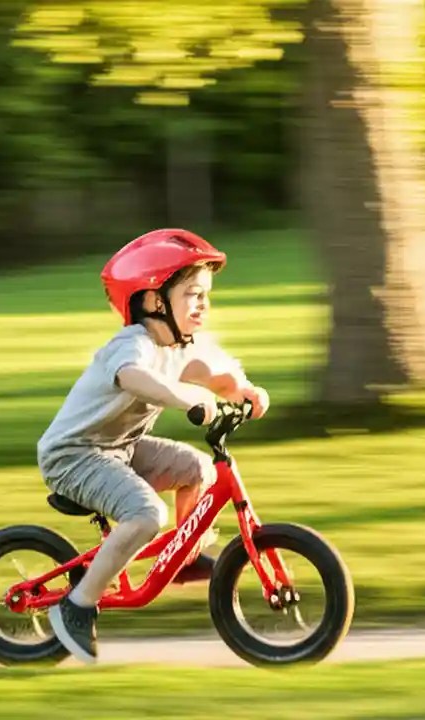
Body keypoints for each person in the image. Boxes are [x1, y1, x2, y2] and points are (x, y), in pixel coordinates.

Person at [36, 228, 270, 664]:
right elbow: (133, 377)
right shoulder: (132, 344)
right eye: (192, 294)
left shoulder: (181, 346)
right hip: (73, 455)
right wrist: (185, 400)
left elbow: (217, 375)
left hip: (120, 448)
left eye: (206, 295)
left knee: (198, 470)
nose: (203, 304)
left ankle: (184, 558)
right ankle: (76, 606)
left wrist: (246, 392)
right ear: (154, 300)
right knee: (146, 514)